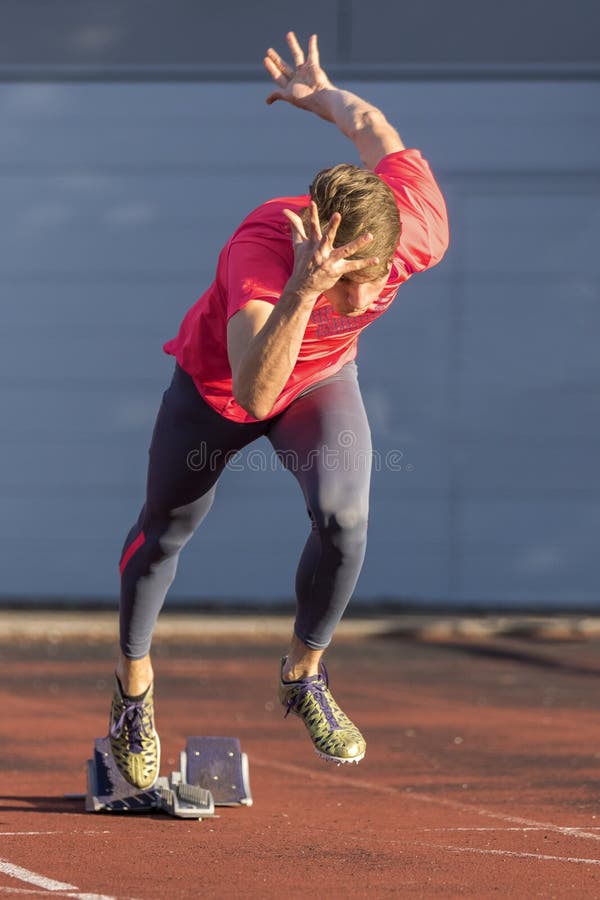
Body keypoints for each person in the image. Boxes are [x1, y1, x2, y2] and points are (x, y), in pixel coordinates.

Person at [107, 31, 449, 787]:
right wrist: (304, 286)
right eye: (343, 283)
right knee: (165, 531)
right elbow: (257, 392)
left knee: (346, 519)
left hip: (321, 381)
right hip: (223, 386)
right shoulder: (262, 251)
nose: (361, 300)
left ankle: (304, 675)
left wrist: (318, 95)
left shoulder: (417, 224)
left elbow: (375, 131)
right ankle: (134, 689)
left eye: (374, 281)